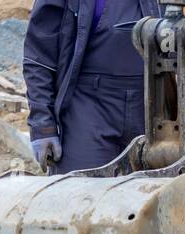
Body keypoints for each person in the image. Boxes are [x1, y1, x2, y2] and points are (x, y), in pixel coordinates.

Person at [24, 0, 160, 173]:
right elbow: (39, 57)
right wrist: (43, 125)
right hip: (88, 109)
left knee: (152, 194)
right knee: (81, 193)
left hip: (153, 107)